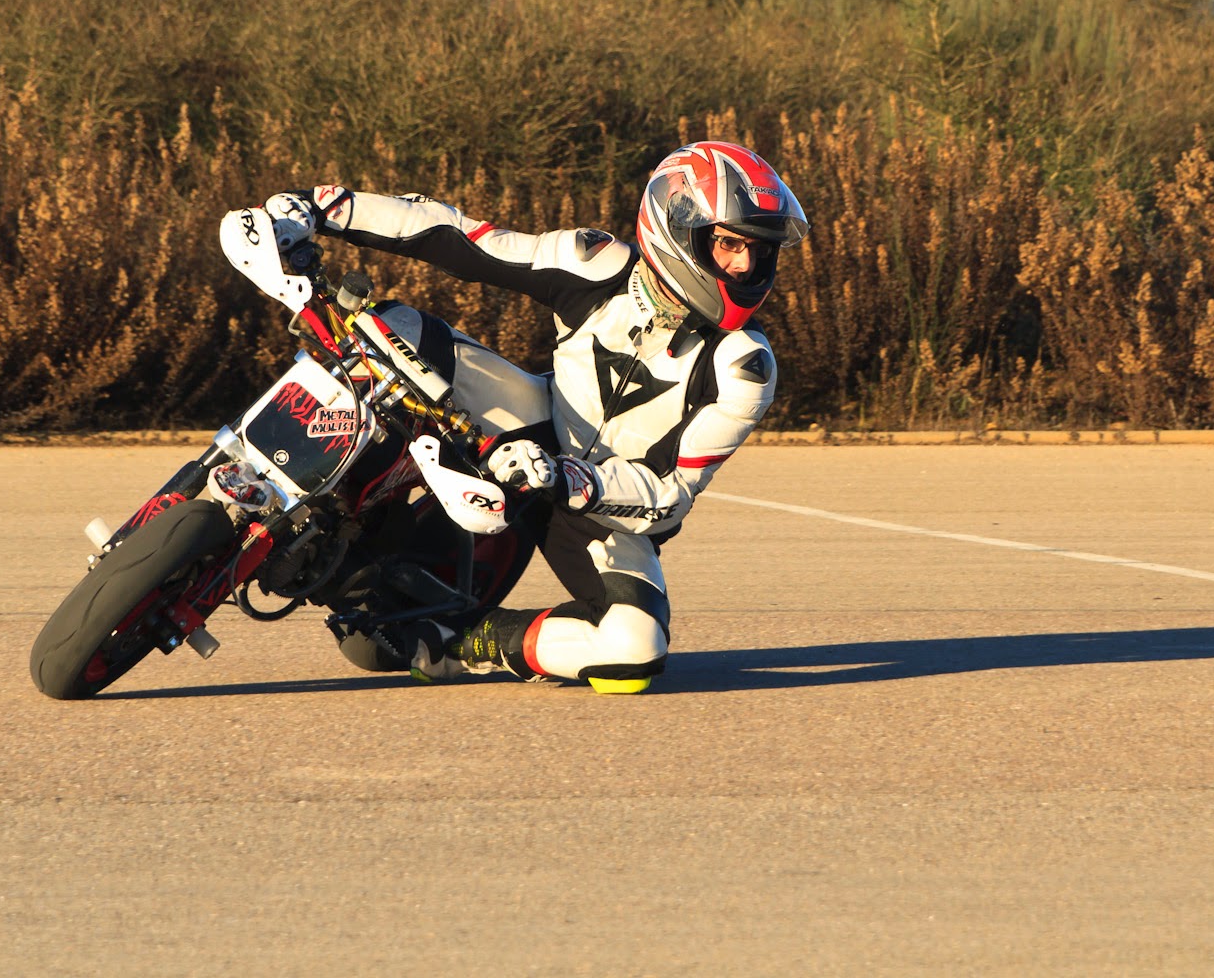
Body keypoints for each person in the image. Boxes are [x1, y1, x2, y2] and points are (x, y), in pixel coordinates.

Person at [262, 141, 809, 693]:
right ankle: (280, 482)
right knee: (396, 331)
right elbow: (458, 236)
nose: (744, 264)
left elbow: (671, 493)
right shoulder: (595, 265)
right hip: (526, 425)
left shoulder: (744, 368)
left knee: (634, 648)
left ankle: (463, 643)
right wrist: (321, 209)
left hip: (604, 510)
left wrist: (572, 478)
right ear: (677, 226)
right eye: (728, 244)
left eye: (758, 251)